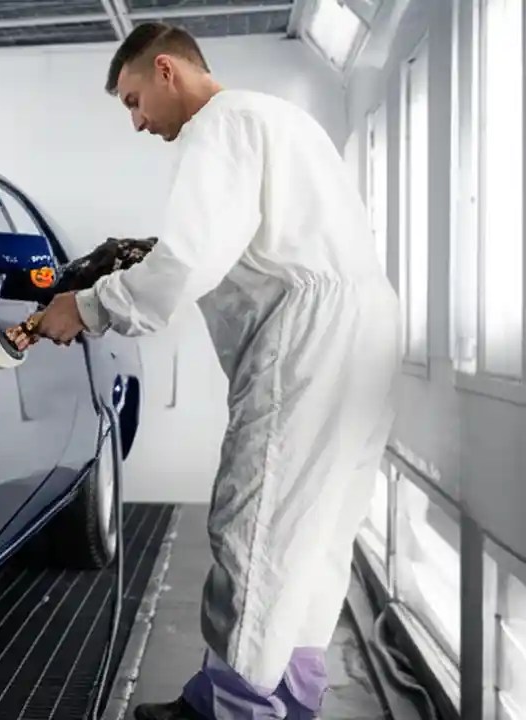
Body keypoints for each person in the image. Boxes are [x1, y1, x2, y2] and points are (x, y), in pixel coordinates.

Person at [28, 22, 403, 720]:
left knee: (256, 521)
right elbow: (244, 243)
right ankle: (290, 696)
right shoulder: (281, 119)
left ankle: (231, 708)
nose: (139, 123)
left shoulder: (219, 126)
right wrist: (151, 256)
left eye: (135, 101)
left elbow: (187, 266)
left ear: (167, 71)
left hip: (310, 336)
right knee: (315, 531)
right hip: (371, 324)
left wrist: (85, 306)